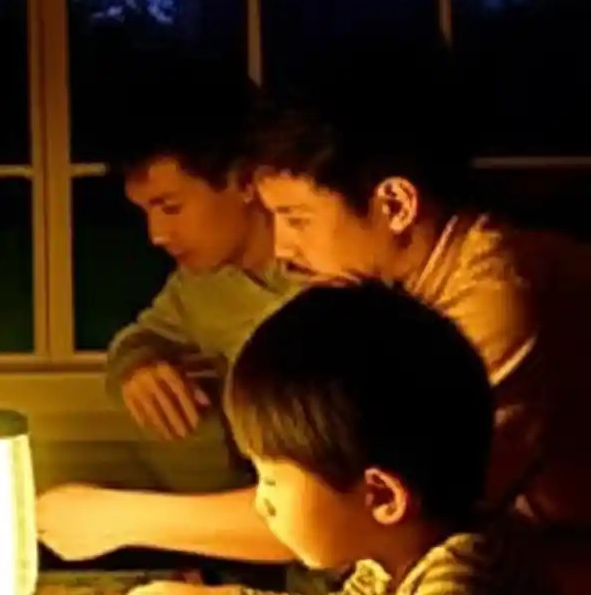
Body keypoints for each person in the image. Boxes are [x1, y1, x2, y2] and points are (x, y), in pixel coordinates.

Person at [38, 46, 591, 590]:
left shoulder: (500, 301)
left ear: (395, 205)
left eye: (296, 219)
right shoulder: (400, 292)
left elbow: (362, 511)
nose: (281, 248)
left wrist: (115, 517)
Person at [126, 283, 547, 595]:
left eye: (272, 480)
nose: (261, 502)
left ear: (381, 496)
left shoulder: (462, 576)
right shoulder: (388, 559)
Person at [102, 63, 300, 497]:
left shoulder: (330, 269)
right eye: (145, 213)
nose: (156, 235)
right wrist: (138, 363)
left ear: (245, 181)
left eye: (170, 208)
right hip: (254, 512)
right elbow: (143, 334)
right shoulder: (202, 286)